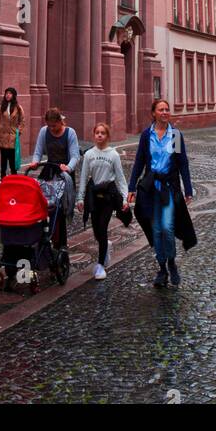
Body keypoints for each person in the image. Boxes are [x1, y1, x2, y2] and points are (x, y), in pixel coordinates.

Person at [127, 98, 195, 289]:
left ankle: (171, 262)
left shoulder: (175, 135)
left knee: (167, 227)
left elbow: (182, 163)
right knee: (156, 230)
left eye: (167, 109)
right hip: (150, 189)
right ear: (153, 113)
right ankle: (162, 268)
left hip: (169, 188)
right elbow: (139, 161)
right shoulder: (146, 135)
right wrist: (131, 187)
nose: (165, 112)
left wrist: (188, 189)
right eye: (161, 109)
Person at [76, 122, 131, 280]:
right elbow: (84, 176)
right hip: (94, 196)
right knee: (96, 231)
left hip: (108, 196)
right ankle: (106, 245)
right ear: (94, 135)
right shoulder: (89, 155)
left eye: (103, 133)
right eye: (97, 133)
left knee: (102, 227)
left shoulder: (113, 155)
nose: (99, 135)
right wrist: (80, 198)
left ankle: (100, 266)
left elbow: (120, 179)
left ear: (107, 136)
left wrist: (125, 199)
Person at [25, 107, 80, 247]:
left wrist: (68, 167)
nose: (51, 128)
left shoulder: (70, 133)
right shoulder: (44, 131)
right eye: (49, 125)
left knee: (60, 211)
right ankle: (43, 238)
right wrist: (35, 162)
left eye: (54, 126)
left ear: (60, 122)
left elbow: (75, 156)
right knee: (45, 205)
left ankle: (61, 244)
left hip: (64, 174)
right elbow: (38, 151)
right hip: (49, 172)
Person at [0, 87, 24, 179]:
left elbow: (22, 121)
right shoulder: (1, 106)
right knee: (3, 159)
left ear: (13, 95)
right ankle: (3, 177)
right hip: (3, 137)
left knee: (12, 160)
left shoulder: (18, 107)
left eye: (10, 93)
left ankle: (14, 178)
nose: (8, 95)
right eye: (6, 93)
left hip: (13, 138)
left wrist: (19, 132)